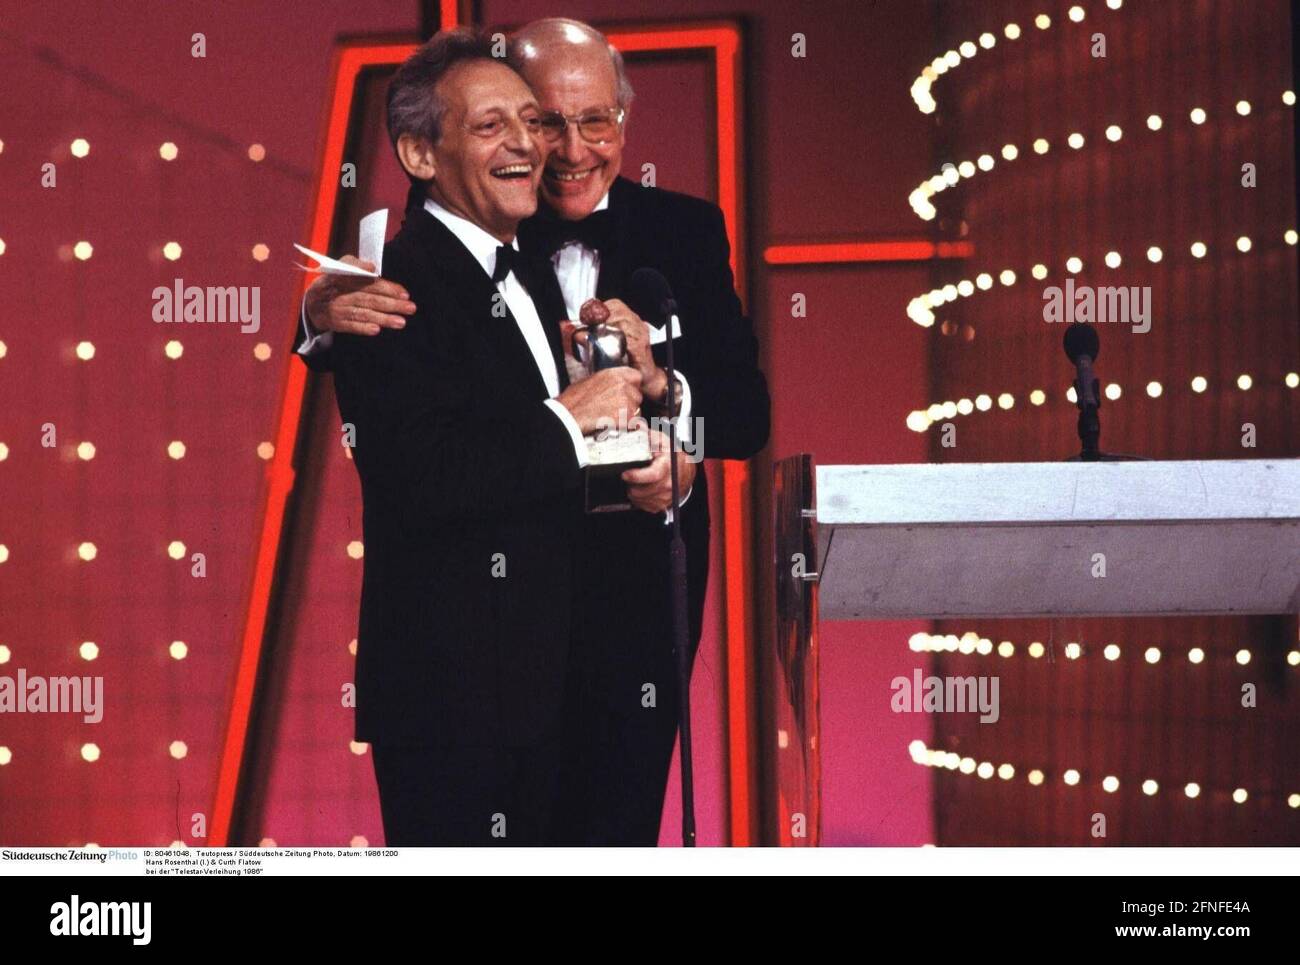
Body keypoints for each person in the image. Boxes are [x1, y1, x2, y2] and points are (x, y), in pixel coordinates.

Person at [299, 19, 769, 845]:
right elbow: (399, 330)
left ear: (625, 120)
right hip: (482, 652)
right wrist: (315, 312)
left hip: (628, 626)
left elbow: (745, 411)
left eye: (597, 121)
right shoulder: (470, 227)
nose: (564, 148)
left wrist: (668, 411)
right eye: (542, 121)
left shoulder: (683, 231)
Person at [331, 28, 642, 845]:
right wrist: (568, 419)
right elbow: (421, 476)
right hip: (453, 702)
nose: (526, 145)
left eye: (530, 121)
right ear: (419, 153)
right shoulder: (386, 292)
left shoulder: (529, 269)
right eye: (489, 125)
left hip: (556, 690)